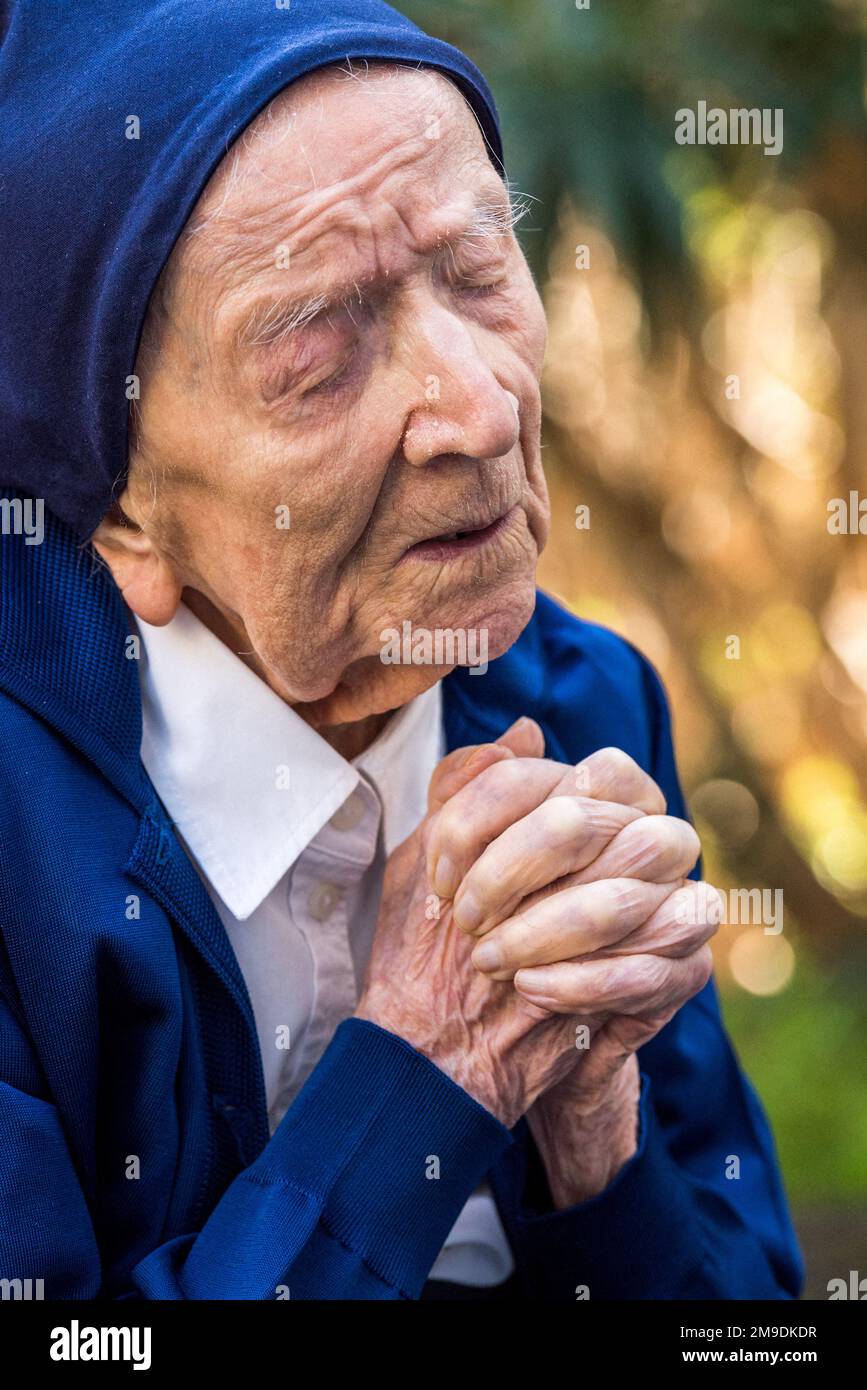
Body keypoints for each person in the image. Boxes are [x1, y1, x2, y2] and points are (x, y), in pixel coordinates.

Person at [0, 0, 802, 1299]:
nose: (483, 410)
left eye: (484, 276)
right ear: (126, 513)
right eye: (320, 356)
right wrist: (426, 1071)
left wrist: (590, 1144)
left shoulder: (580, 700)